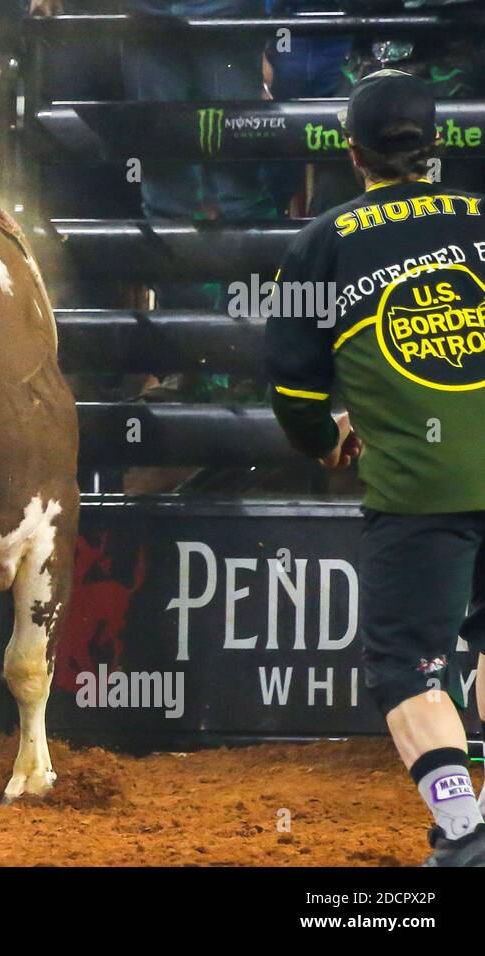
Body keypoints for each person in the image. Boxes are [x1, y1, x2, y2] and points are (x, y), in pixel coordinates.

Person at [265, 70, 485, 866]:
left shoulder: (320, 243)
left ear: (352, 155)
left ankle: (465, 837)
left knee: (409, 670)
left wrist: (324, 438)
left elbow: (293, 393)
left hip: (420, 492)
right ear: (436, 145)